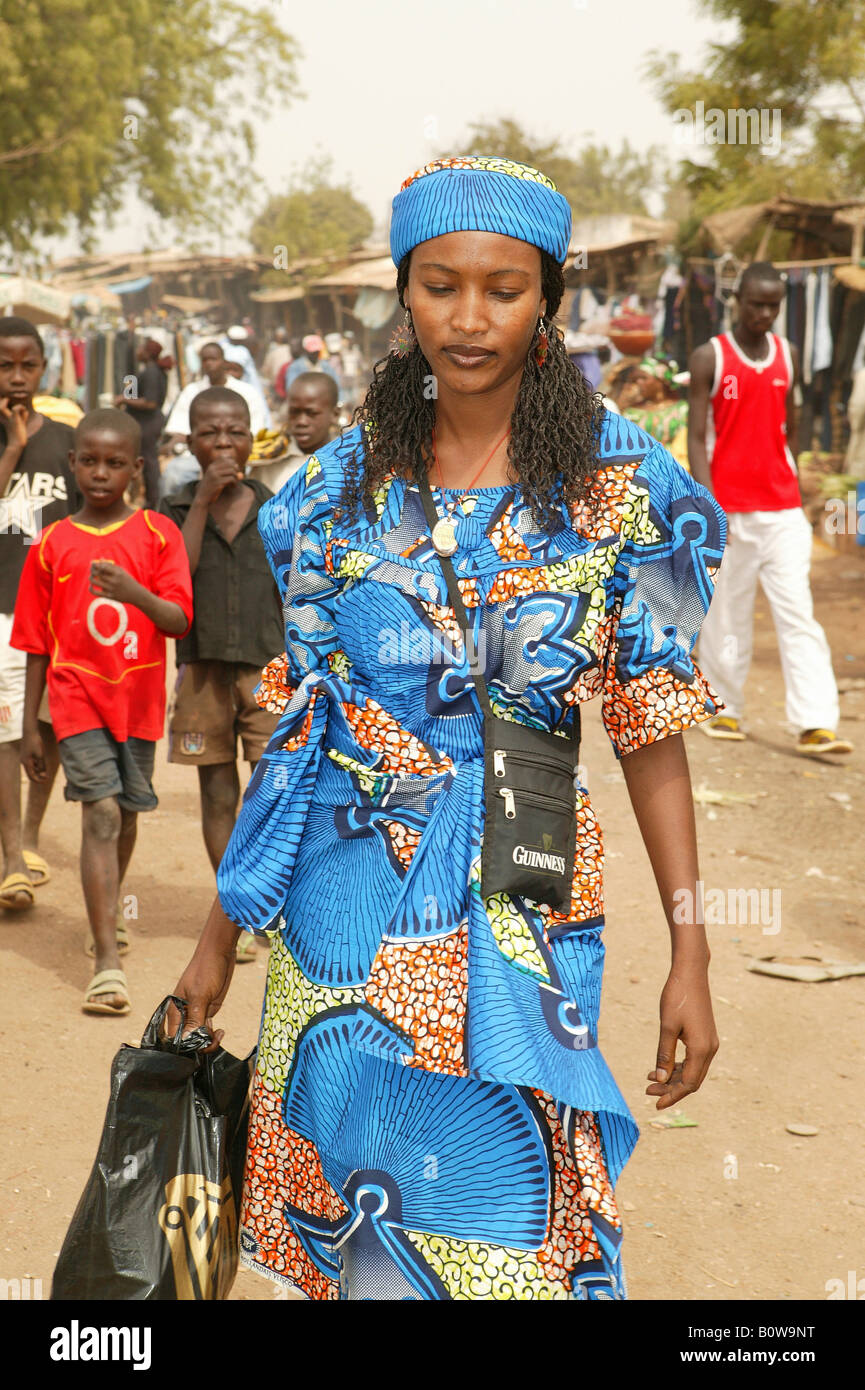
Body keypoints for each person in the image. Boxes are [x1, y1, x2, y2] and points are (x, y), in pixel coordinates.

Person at [167, 155, 724, 1301]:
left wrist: (693, 949)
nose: (468, 319)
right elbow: (297, 735)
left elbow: (649, 730)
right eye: (439, 284)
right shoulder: (326, 494)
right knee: (356, 1231)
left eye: (503, 288)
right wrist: (217, 941)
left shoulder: (631, 491)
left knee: (507, 1236)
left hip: (527, 908)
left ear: (548, 298)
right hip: (342, 913)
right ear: (402, 291)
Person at [13, 409, 192, 1014]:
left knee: (129, 812)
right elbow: (36, 642)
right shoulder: (52, 544)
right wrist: (32, 727)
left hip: (137, 705)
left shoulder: (157, 535)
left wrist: (134, 593)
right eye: (89, 460)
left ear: (137, 469)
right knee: (102, 813)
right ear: (72, 465)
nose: (100, 472)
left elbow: (177, 620)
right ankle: (105, 962)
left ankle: (109, 910)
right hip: (73, 699)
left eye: (115, 463)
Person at [688, 261, 852, 756]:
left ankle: (816, 722)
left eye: (773, 306)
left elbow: (791, 426)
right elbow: (697, 438)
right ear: (737, 301)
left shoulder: (789, 355)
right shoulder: (709, 358)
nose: (764, 313)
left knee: (798, 613)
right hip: (730, 511)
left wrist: (795, 488)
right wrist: (708, 506)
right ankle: (725, 709)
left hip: (781, 510)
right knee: (727, 615)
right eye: (756, 304)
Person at [159, 388, 283, 966]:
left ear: (251, 440)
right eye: (210, 433)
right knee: (216, 791)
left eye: (235, 431)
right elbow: (171, 583)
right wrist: (203, 503)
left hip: (267, 668)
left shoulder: (277, 506)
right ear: (190, 443)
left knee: (272, 788)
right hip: (201, 670)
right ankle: (233, 907)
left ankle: (273, 907)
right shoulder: (175, 510)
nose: (224, 443)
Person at [0, 316, 73, 910]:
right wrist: (13, 447)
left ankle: (28, 836)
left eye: (28, 366)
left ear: (44, 369)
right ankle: (10, 859)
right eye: (5, 366)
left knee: (44, 729)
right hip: (3, 611)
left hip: (54, 614)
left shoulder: (66, 441)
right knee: (6, 730)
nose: (18, 378)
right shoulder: (13, 440)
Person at [247, 372, 339, 494]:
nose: (301, 422)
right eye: (294, 412)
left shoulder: (349, 463)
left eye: (311, 413)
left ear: (335, 414)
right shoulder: (267, 462)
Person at [164, 342, 271, 441]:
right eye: (205, 360)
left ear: (224, 362)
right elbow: (178, 428)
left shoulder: (246, 391)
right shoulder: (191, 392)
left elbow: (256, 428)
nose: (209, 364)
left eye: (213, 359)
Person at [116, 337, 172, 509]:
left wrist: (123, 399)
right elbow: (133, 394)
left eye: (140, 348)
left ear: (147, 353)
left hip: (148, 423)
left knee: (149, 461)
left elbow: (150, 403)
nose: (137, 351)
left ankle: (153, 500)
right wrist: (126, 395)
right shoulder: (143, 370)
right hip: (142, 421)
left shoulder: (152, 373)